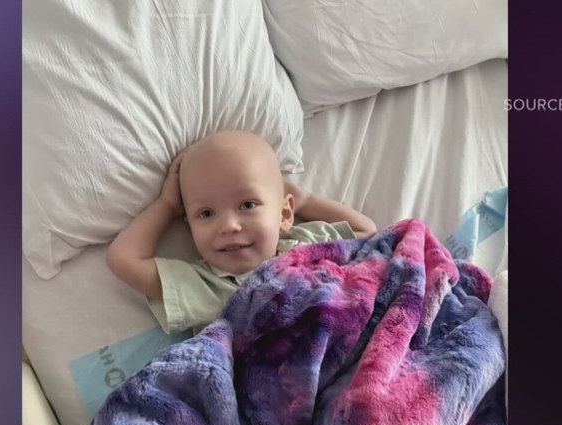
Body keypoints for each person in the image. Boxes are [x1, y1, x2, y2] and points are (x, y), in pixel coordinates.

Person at [107, 130, 377, 333]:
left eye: (247, 205)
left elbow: (366, 231)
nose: (228, 226)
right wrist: (166, 206)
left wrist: (306, 201)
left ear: (284, 214)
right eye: (206, 214)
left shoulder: (306, 243)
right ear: (189, 225)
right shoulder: (204, 286)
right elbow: (123, 259)